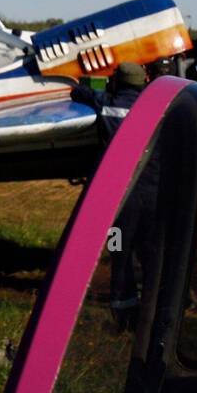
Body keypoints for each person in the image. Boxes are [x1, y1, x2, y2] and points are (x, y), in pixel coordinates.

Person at [72, 62, 156, 330]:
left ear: (116, 82)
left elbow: (81, 94)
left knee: (120, 251)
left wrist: (80, 85)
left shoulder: (107, 105)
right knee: (151, 251)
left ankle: (123, 312)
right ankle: (158, 309)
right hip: (154, 193)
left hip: (122, 196)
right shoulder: (157, 109)